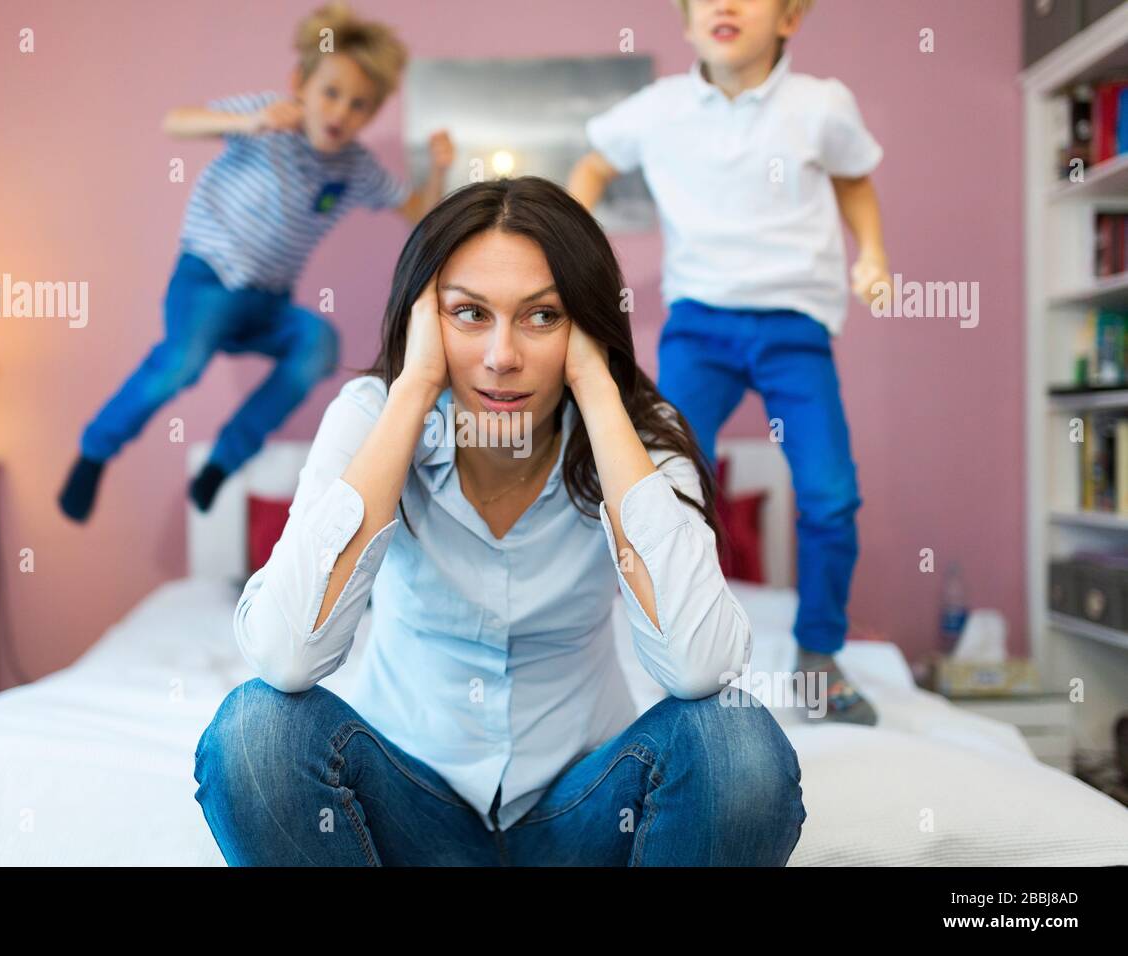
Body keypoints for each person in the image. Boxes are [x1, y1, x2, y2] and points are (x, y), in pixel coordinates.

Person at [192, 176, 806, 866]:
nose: (502, 356)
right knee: (254, 733)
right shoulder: (372, 414)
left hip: (587, 816)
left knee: (737, 742)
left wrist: (602, 393)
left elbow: (699, 667)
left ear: (586, 325)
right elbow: (286, 654)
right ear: (425, 317)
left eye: (543, 316)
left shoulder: (641, 438)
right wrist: (415, 388)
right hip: (406, 814)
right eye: (470, 314)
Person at [568, 0, 889, 724]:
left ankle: (819, 659)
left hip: (794, 327)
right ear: (685, 22)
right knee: (666, 484)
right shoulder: (659, 109)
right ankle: (682, 645)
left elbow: (854, 178)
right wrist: (566, 245)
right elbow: (591, 163)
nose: (725, 3)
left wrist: (873, 253)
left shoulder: (821, 105)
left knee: (831, 494)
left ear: (789, 18)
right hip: (698, 327)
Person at [58, 1, 453, 523]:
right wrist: (251, 120)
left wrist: (441, 170)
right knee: (181, 365)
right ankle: (94, 451)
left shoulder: (357, 168)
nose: (340, 114)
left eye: (359, 105)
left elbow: (418, 212)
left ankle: (221, 462)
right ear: (300, 84)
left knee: (319, 345)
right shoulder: (267, 118)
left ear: (372, 113)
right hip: (206, 284)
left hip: (268, 302)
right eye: (331, 94)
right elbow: (175, 121)